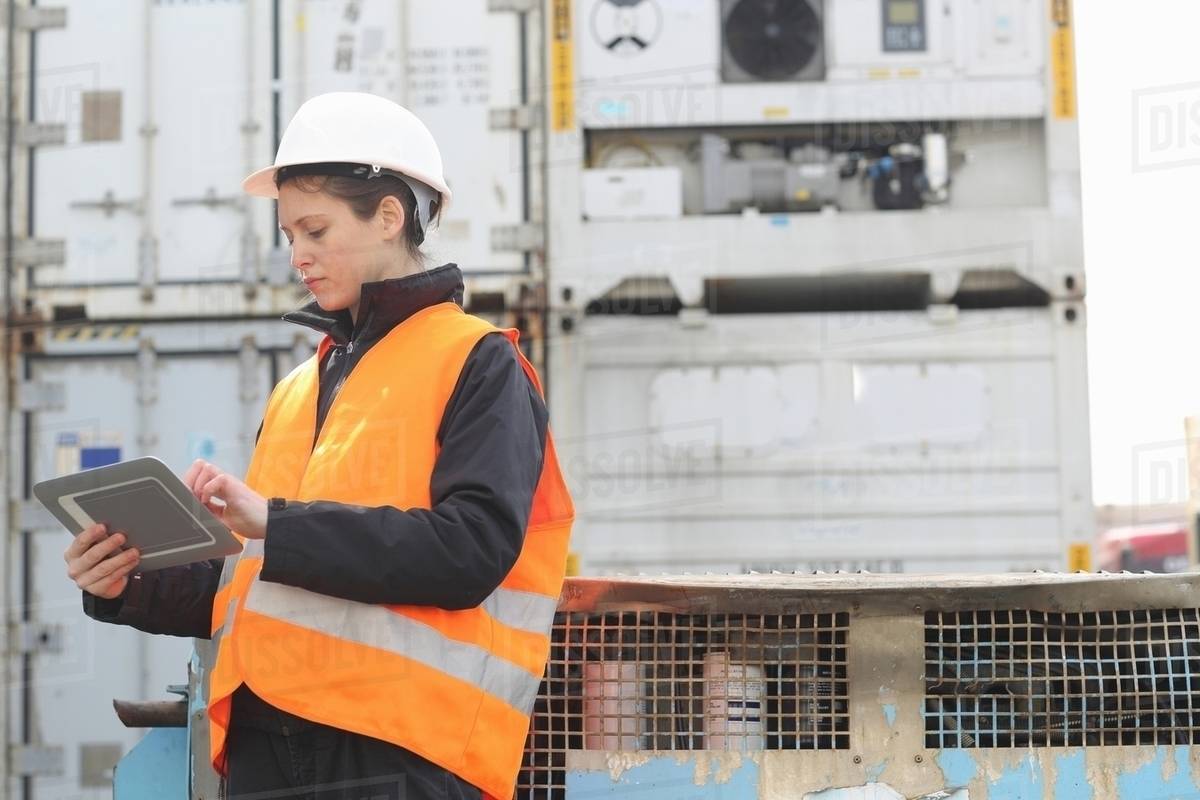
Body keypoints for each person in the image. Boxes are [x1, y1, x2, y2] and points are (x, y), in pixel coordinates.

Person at [64, 92, 575, 800]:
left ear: (390, 215)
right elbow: (259, 584)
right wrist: (126, 585)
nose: (297, 255)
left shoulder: (478, 361)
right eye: (288, 234)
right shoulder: (300, 386)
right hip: (264, 748)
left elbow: (471, 551)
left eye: (315, 229)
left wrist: (275, 520)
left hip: (400, 754)